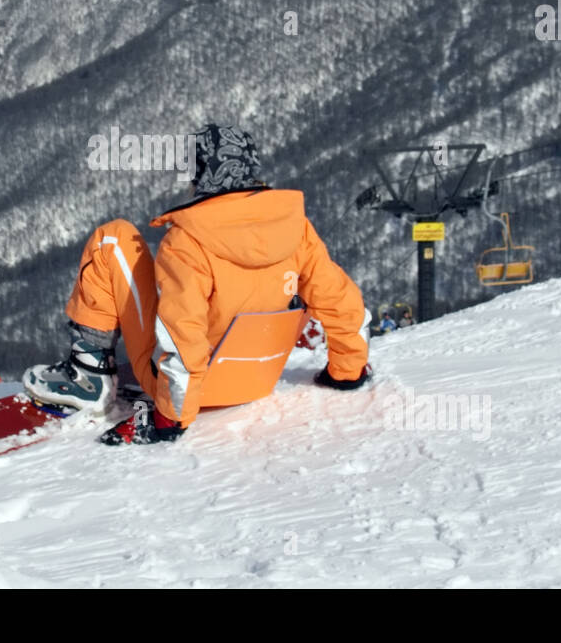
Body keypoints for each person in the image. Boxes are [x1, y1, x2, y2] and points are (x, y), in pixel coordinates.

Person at [23, 123, 373, 445]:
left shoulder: (189, 239)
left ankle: (89, 377)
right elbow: (342, 304)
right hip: (259, 380)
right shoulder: (297, 228)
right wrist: (348, 373)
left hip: (197, 391)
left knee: (113, 238)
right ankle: (344, 370)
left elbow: (183, 331)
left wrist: (169, 419)